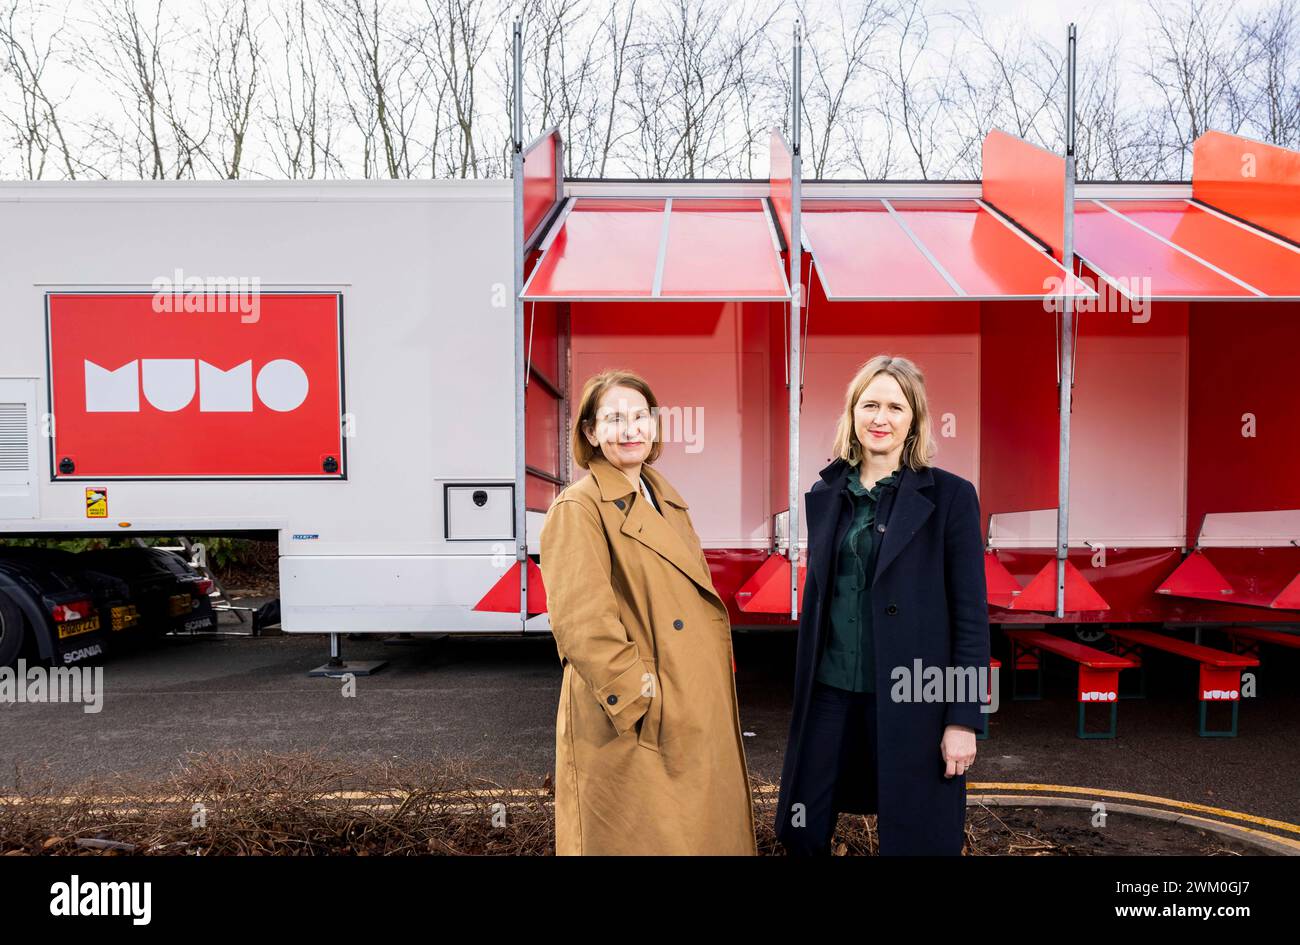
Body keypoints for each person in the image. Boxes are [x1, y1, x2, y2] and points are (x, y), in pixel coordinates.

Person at [774, 354, 991, 855]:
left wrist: (964, 718)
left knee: (917, 832)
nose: (880, 418)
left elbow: (971, 618)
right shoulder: (827, 493)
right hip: (829, 689)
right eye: (869, 404)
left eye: (895, 407)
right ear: (852, 414)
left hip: (916, 691)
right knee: (804, 825)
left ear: (913, 419)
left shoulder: (952, 497)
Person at [539, 368, 757, 855]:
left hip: (688, 704)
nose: (631, 428)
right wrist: (641, 701)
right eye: (615, 418)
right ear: (591, 433)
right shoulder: (579, 506)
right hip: (636, 721)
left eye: (641, 416)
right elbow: (582, 624)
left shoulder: (665, 499)